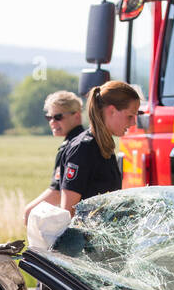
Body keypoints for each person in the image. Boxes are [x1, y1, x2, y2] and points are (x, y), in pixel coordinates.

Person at [53, 80, 140, 211]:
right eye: (130, 116)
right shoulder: (83, 149)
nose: (134, 122)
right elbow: (68, 211)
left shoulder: (104, 146)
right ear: (111, 111)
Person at [23, 90, 85, 223]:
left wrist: (29, 211)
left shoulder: (74, 146)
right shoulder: (80, 141)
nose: (52, 122)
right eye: (49, 117)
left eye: (58, 117)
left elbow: (57, 192)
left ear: (77, 116)